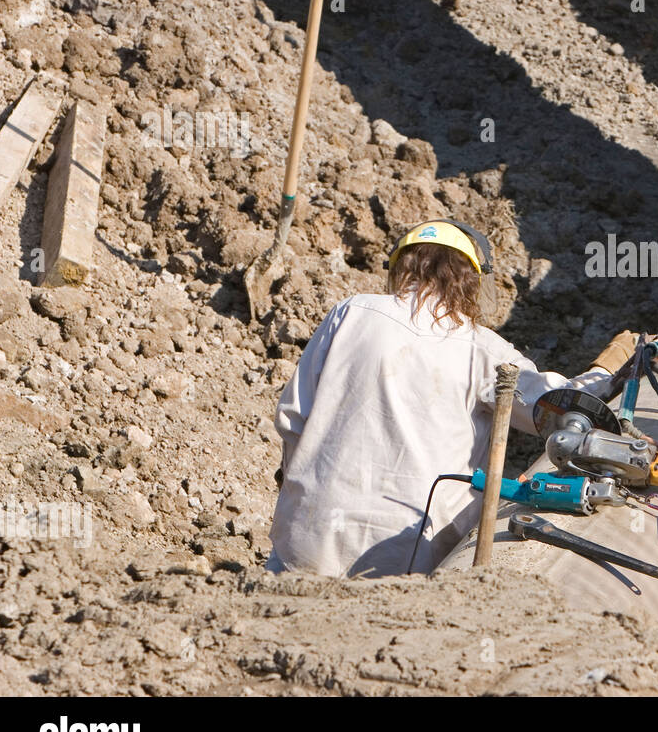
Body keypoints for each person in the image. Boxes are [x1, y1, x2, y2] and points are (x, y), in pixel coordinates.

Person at [266, 218, 636, 578]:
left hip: (303, 541)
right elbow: (560, 413)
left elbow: (291, 419)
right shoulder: (482, 348)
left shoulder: (349, 313)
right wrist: (607, 372)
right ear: (470, 280)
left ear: (401, 267)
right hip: (402, 556)